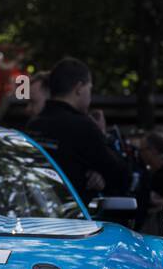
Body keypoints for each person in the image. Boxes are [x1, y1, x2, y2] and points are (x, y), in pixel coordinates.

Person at [25, 57, 129, 201]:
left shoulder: (33, 126)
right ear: (79, 88)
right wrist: (102, 136)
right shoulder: (83, 127)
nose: (90, 96)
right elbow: (122, 178)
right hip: (71, 219)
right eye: (90, 88)